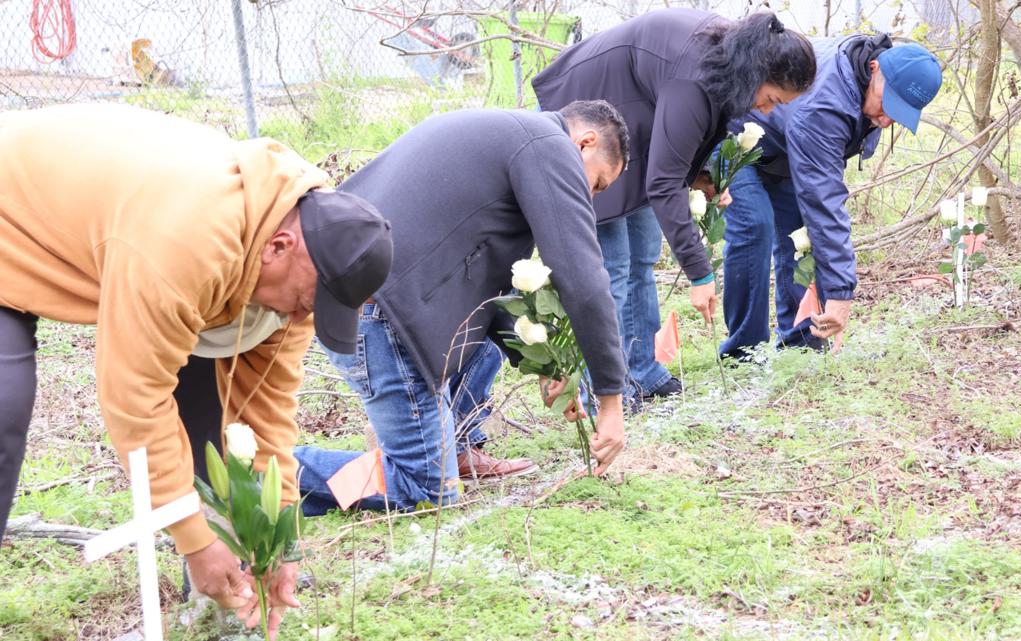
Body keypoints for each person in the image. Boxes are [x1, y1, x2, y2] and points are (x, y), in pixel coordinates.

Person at [0, 103, 393, 639]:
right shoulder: (187, 242)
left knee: (207, 423)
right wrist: (192, 539)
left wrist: (280, 537)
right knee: (4, 399)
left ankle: (220, 596)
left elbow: (263, 415)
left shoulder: (300, 249)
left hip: (106, 230)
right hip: (11, 210)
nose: (302, 319)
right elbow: (135, 398)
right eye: (305, 303)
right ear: (279, 249)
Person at [293, 100, 631, 514]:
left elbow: (492, 284)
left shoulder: (510, 134)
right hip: (379, 312)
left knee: (484, 329)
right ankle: (263, 474)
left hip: (369, 296)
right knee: (425, 490)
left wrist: (545, 365)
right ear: (585, 143)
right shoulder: (547, 145)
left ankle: (448, 446)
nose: (590, 198)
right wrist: (610, 398)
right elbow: (582, 275)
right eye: (597, 184)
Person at [530, 8, 816, 404]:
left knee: (643, 255)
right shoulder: (695, 79)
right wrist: (700, 275)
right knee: (612, 266)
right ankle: (606, 392)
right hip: (590, 119)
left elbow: (689, 137)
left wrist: (702, 176)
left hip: (636, 123)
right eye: (771, 99)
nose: (766, 111)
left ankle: (643, 369)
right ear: (757, 74)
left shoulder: (730, 62)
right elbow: (664, 184)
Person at [719, 39, 943, 358]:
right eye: (888, 103)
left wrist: (834, 293)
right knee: (755, 226)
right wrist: (840, 293)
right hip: (734, 135)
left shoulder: (868, 85)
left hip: (784, 149)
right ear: (874, 69)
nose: (887, 119)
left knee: (801, 238)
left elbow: (818, 208)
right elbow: (824, 202)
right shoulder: (825, 104)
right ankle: (743, 353)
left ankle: (802, 341)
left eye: (900, 112)